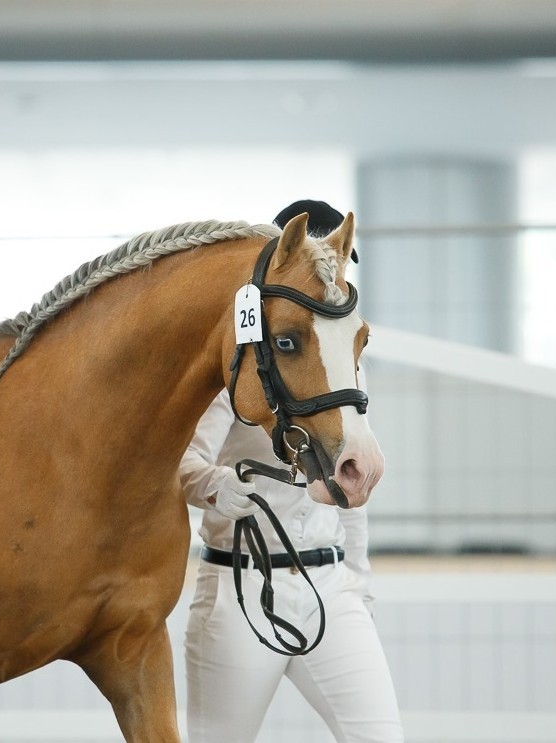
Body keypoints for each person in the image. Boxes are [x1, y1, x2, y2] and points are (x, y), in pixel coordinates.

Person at [180, 201, 403, 743]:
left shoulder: (345, 363)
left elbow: (352, 488)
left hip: (329, 583)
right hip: (241, 585)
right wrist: (216, 487)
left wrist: (358, 584)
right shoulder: (245, 362)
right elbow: (184, 463)